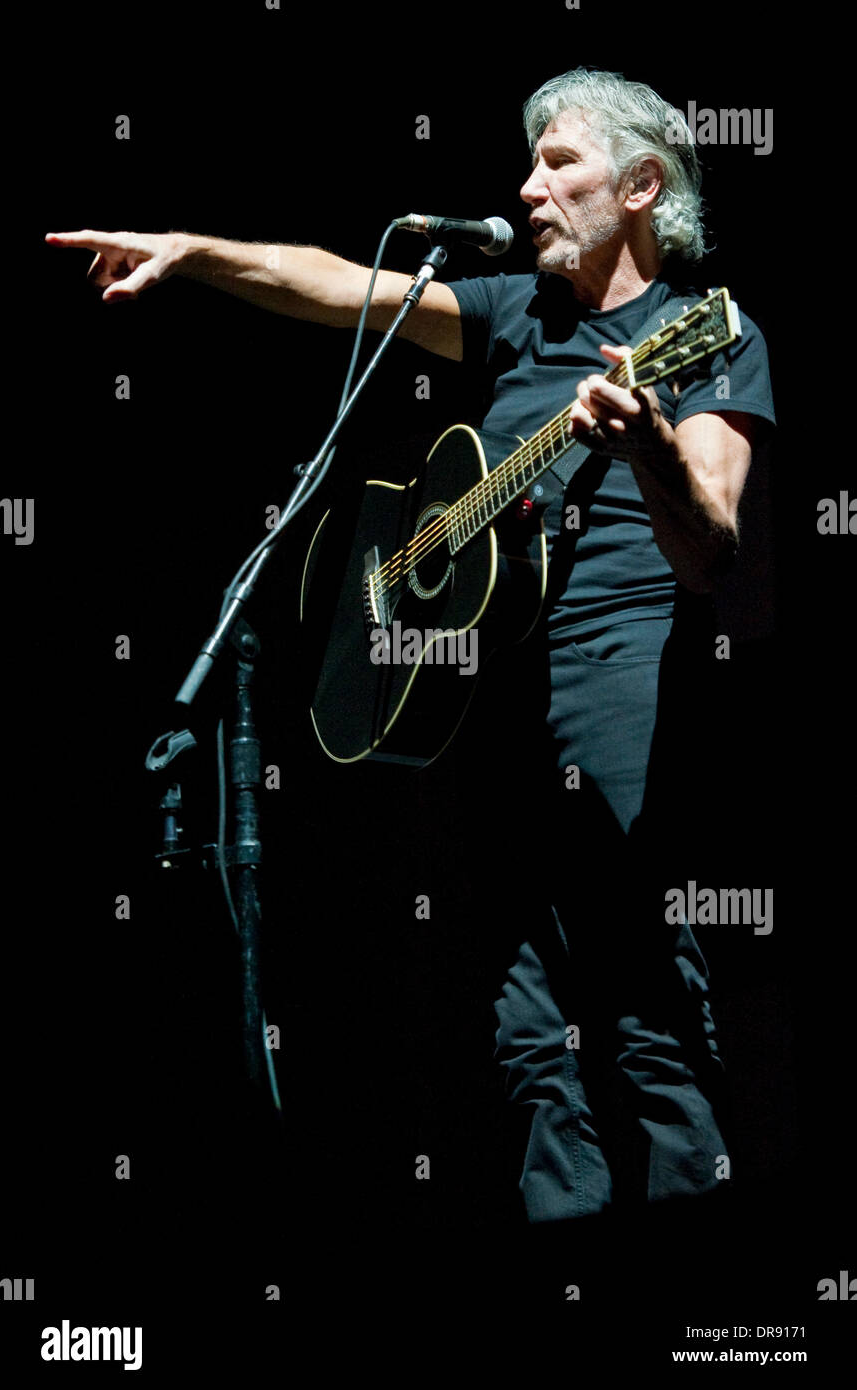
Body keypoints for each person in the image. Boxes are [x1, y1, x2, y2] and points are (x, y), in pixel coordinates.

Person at [47, 66, 775, 1225]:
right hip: (483, 694)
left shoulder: (705, 337)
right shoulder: (510, 315)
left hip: (618, 683)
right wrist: (191, 250)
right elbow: (336, 284)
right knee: (520, 1014)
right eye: (530, 160)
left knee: (641, 994)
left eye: (558, 162)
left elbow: (716, 548)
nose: (527, 186)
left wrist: (644, 445)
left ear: (641, 185)